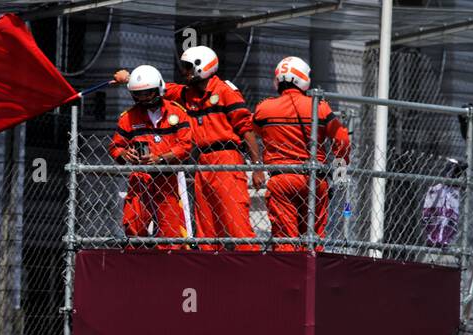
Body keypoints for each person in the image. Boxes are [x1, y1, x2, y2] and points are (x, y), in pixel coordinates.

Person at [114, 47, 261, 250]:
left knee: (235, 222)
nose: (185, 72)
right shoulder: (186, 94)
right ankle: (209, 274)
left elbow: (246, 128)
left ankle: (251, 269)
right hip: (202, 162)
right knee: (206, 229)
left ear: (203, 66)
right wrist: (129, 77)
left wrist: (257, 166)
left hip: (226, 158)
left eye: (188, 67)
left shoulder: (225, 91)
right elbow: (153, 86)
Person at [252, 56, 351, 248]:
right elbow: (343, 140)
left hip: (281, 179)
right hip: (315, 180)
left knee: (284, 238)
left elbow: (251, 133)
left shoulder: (264, 108)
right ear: (303, 79)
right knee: (313, 239)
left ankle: (287, 276)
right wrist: (339, 172)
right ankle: (311, 273)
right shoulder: (319, 108)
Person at [110, 65, 195, 247]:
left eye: (147, 93)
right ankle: (136, 269)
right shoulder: (128, 118)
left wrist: (161, 159)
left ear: (158, 89)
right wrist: (126, 155)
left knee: (171, 234)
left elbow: (185, 146)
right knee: (133, 227)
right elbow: (116, 146)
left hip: (169, 178)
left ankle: (171, 269)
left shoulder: (176, 112)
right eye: (138, 94)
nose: (143, 98)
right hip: (140, 179)